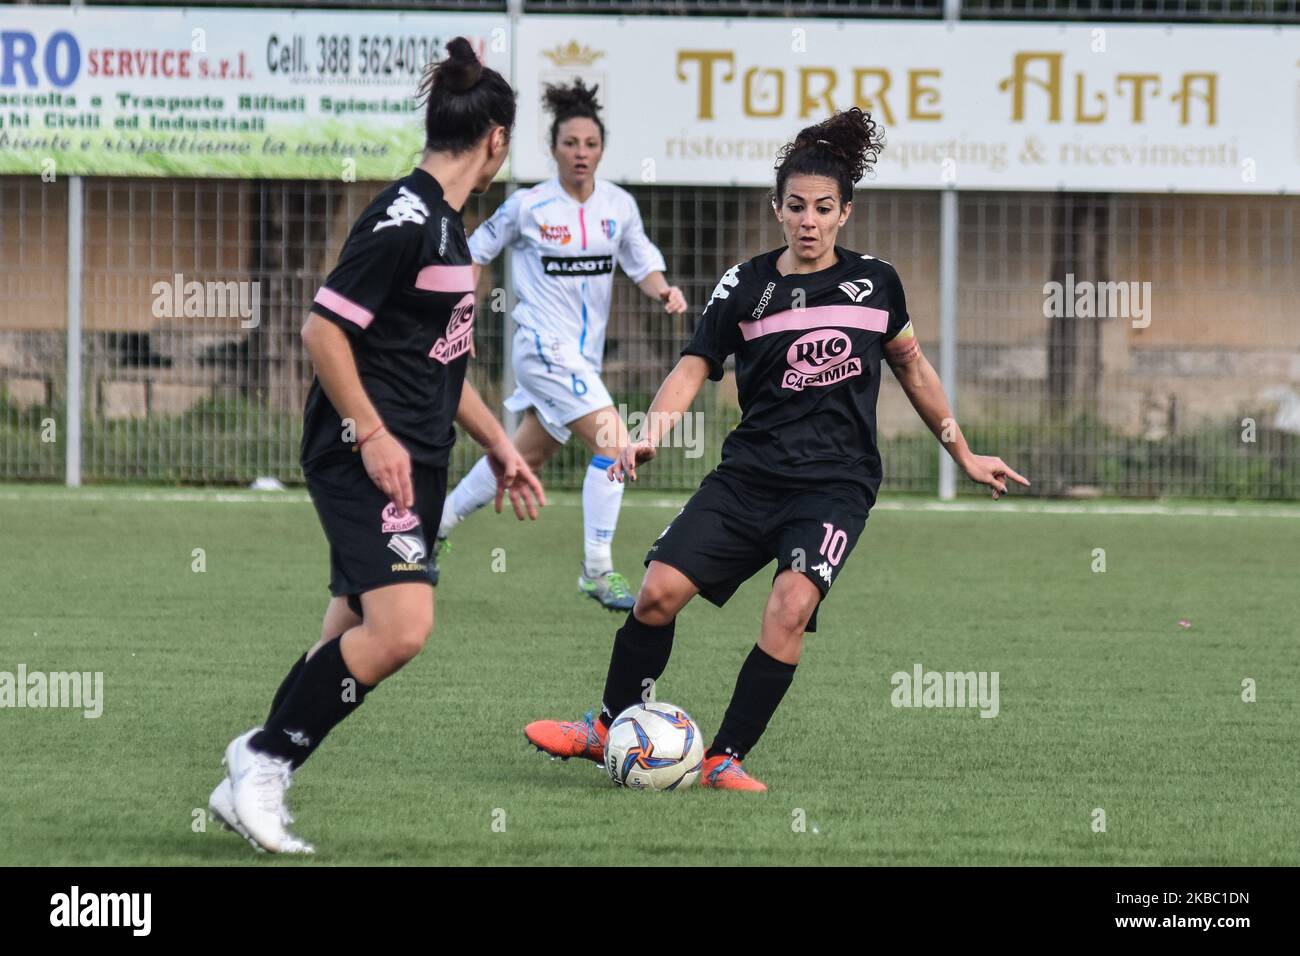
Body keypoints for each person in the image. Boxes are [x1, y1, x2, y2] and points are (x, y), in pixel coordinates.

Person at [522, 107, 1029, 791]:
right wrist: (649, 436)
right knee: (655, 595)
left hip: (834, 487)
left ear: (846, 211)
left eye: (823, 207)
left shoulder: (877, 283)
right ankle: (609, 726)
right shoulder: (745, 286)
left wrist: (962, 452)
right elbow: (694, 366)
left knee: (790, 605)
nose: (808, 220)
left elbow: (912, 367)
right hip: (748, 479)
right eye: (796, 207)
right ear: (777, 208)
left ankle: (724, 756)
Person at [207, 38, 544, 853]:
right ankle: (262, 758)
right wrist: (373, 431)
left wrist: (498, 443)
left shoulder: (448, 230)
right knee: (401, 628)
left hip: (420, 459)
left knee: (344, 633)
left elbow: (439, 362)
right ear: (497, 139)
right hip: (368, 457)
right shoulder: (404, 218)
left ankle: (247, 782)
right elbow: (322, 331)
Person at [437, 78, 687, 612]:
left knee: (520, 455)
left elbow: (643, 263)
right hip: (539, 348)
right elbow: (475, 253)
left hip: (581, 360)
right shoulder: (529, 206)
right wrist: (461, 314)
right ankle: (597, 569)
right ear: (553, 149)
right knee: (614, 440)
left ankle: (432, 527)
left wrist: (663, 289)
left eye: (590, 144)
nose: (581, 153)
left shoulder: (618, 207)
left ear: (601, 150)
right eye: (570, 143)